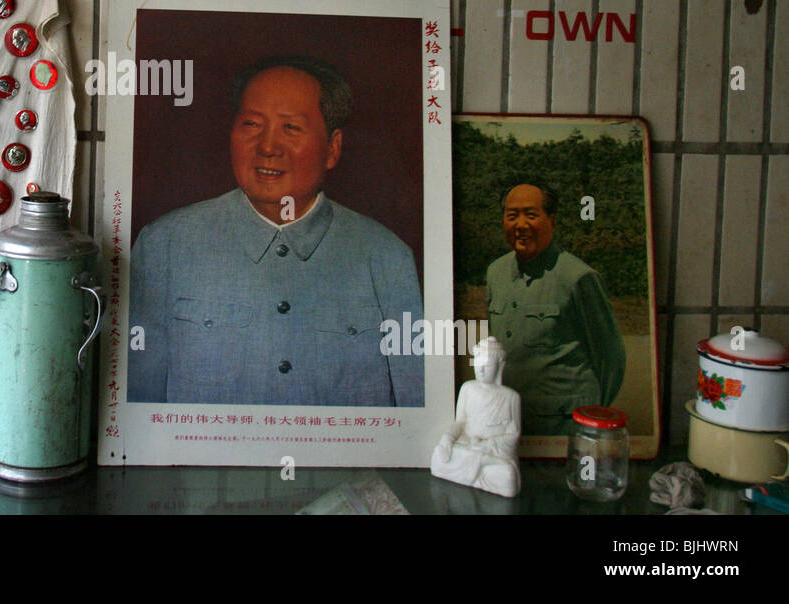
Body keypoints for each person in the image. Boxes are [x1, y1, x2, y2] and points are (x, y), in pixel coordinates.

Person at [128, 56, 424, 407]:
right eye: (252, 124)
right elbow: (139, 411)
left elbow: (413, 414)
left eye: (291, 128)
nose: (268, 147)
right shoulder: (164, 246)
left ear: (332, 148)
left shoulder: (387, 258)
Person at [485, 183, 626, 436]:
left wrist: (591, 414)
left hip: (562, 427)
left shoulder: (578, 277)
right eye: (511, 215)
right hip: (510, 422)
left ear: (551, 220)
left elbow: (610, 358)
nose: (520, 225)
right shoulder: (495, 272)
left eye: (531, 215)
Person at [430, 337, 521, 497]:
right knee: (438, 455)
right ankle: (480, 464)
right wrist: (447, 438)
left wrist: (487, 444)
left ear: (499, 367)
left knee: (507, 476)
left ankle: (482, 463)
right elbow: (460, 422)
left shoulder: (510, 397)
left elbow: (514, 435)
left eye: (487, 366)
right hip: (467, 444)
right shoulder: (468, 388)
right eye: (478, 364)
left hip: (492, 451)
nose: (481, 370)